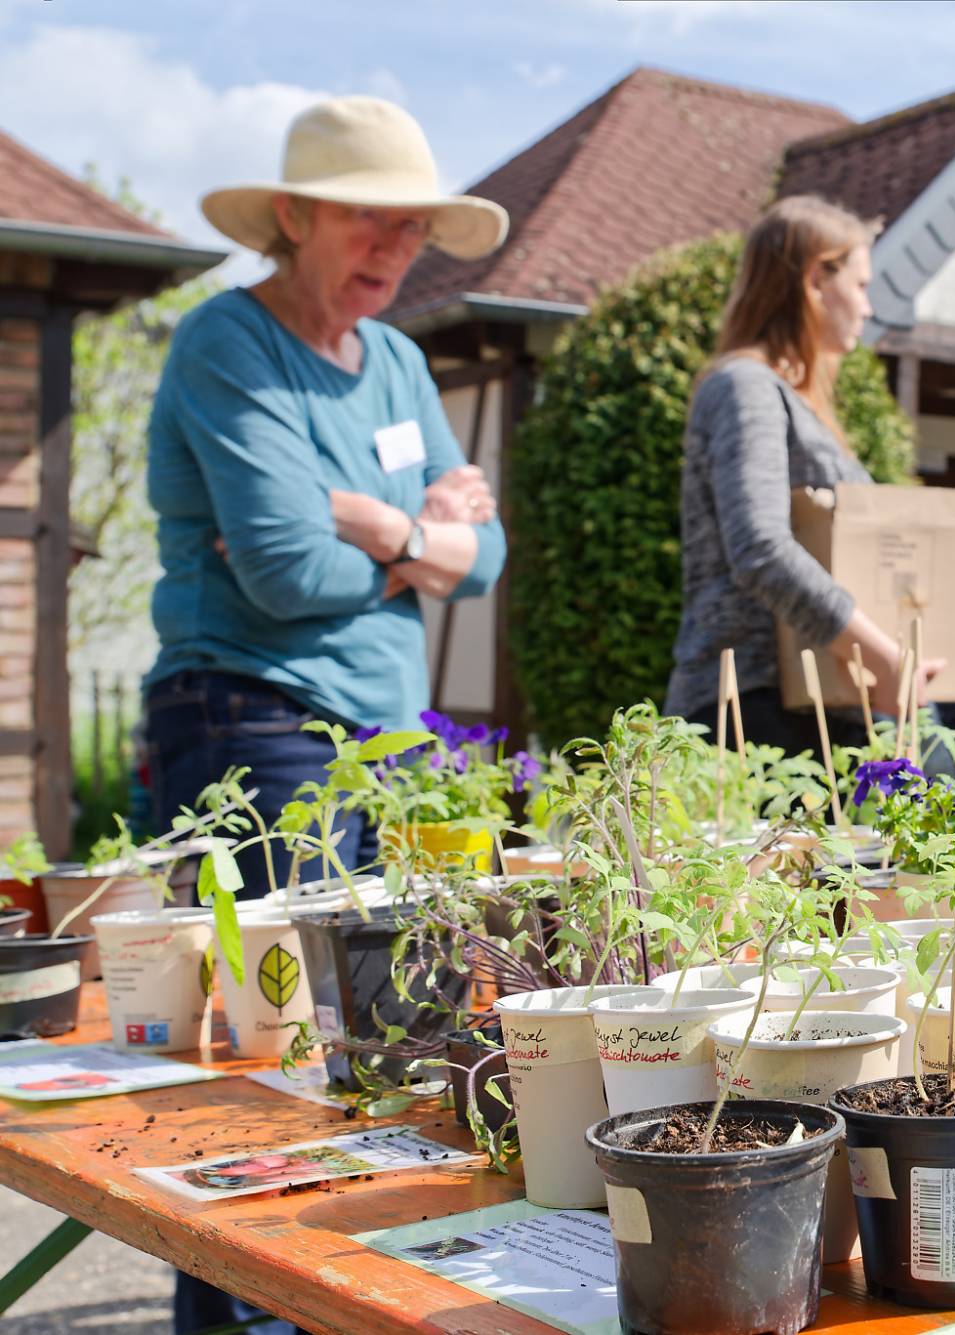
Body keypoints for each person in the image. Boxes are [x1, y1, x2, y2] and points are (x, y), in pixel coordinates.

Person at [143, 95, 510, 1335]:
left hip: (388, 745)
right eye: (366, 221)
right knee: (264, 1066)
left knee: (385, 1061)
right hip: (253, 723)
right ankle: (240, 1319)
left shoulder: (400, 363)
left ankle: (332, 1308)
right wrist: (425, 536)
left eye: (412, 232)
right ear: (293, 217)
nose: (392, 252)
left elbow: (492, 552)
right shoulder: (225, 345)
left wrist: (372, 517)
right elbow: (284, 574)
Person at [666, 196, 939, 751]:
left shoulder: (790, 399)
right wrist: (885, 659)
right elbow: (761, 548)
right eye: (861, 286)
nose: (868, 307)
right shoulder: (745, 387)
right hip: (752, 711)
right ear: (816, 281)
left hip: (810, 710)